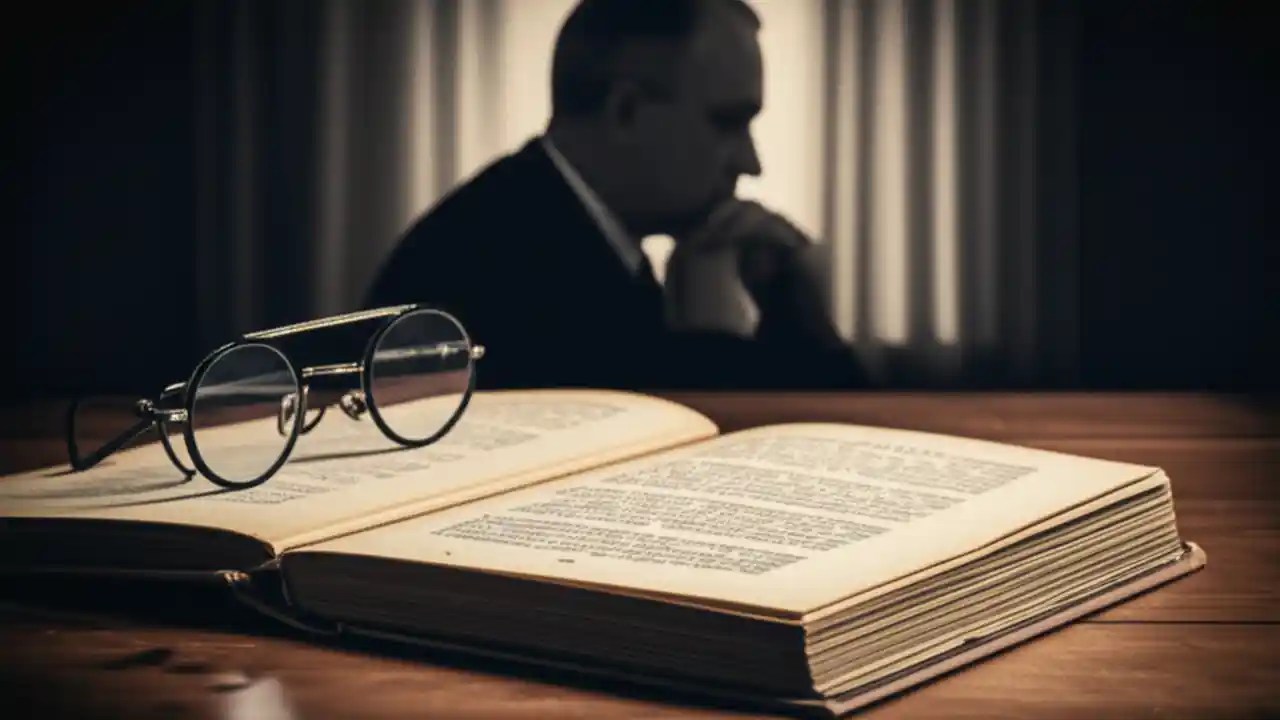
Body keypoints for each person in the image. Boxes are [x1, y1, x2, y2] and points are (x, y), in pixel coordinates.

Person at [365, 0, 865, 390]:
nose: (751, 163)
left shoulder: (565, 229)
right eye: (727, 122)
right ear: (625, 111)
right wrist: (708, 337)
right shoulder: (491, 260)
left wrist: (791, 303)